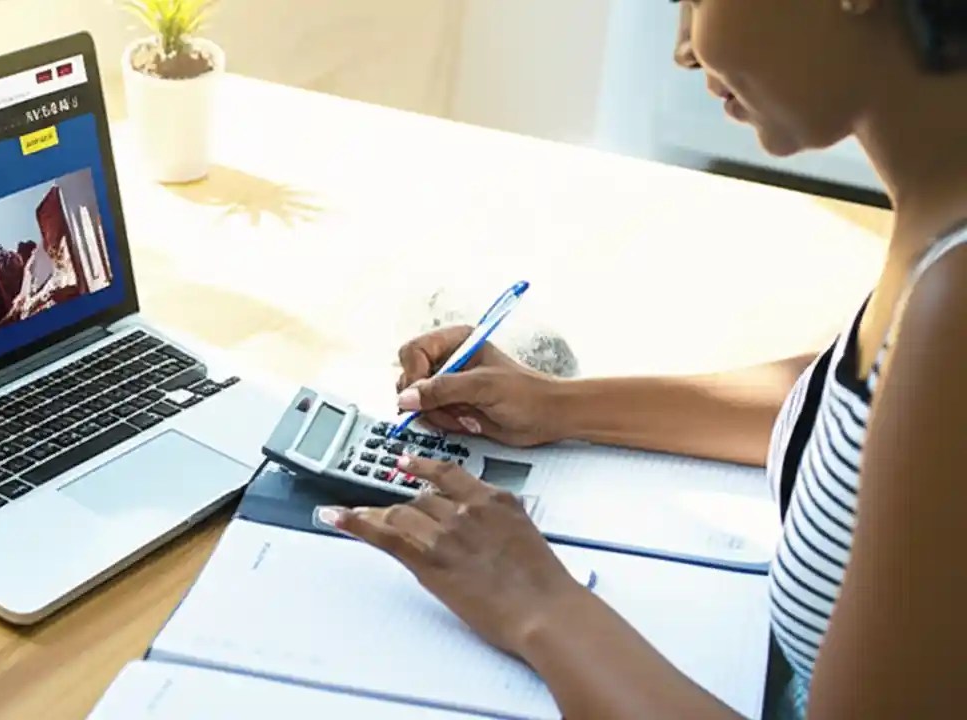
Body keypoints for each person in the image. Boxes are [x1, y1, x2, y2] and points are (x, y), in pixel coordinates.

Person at [317, 2, 966, 718]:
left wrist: (539, 605)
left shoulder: (956, 306)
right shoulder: (939, 221)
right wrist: (556, 404)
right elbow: (855, 415)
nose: (685, 49)